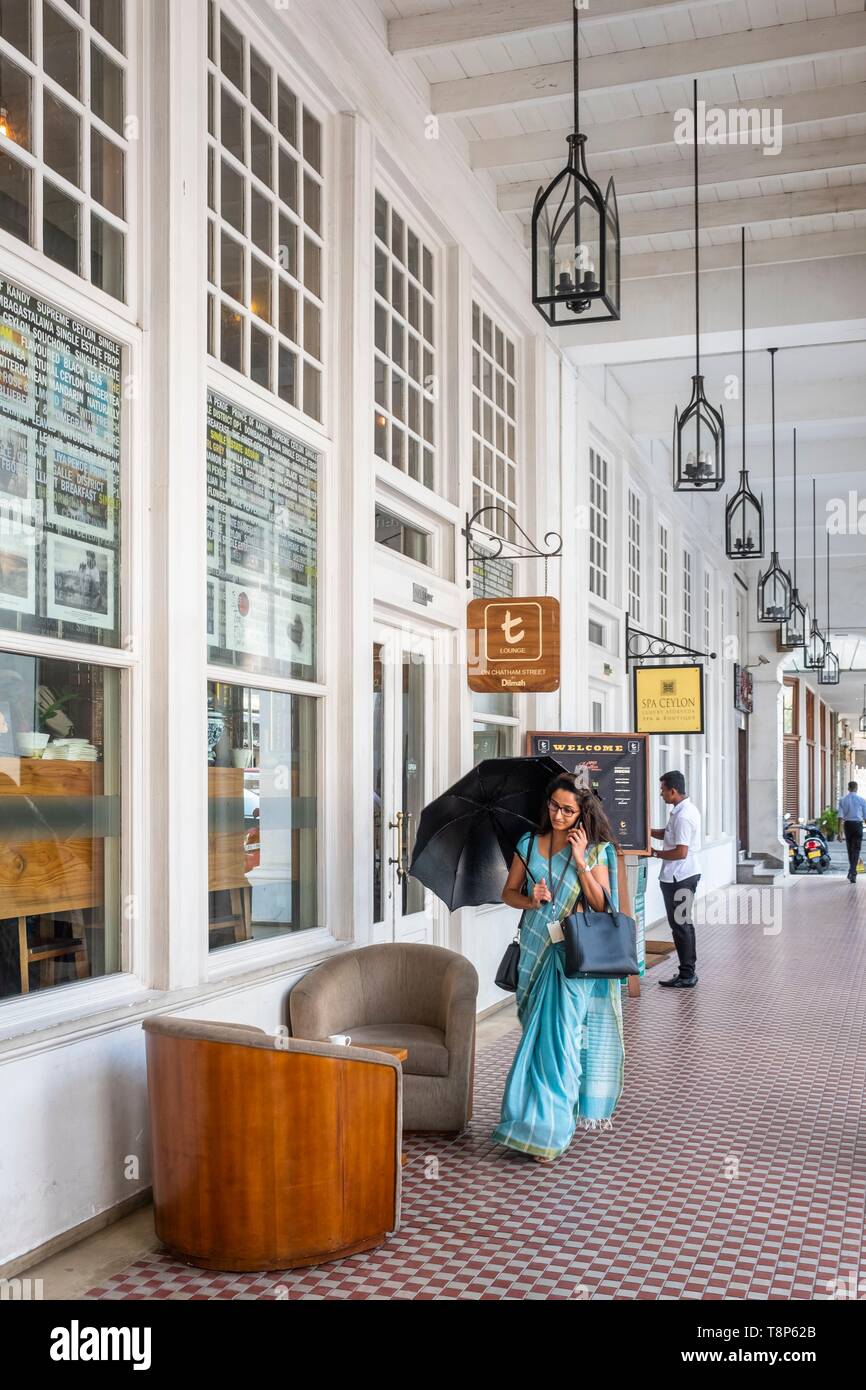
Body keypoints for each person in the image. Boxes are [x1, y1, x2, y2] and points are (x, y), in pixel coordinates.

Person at [490, 774, 625, 1164]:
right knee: (534, 1042)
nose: (559, 814)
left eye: (568, 809)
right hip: (534, 950)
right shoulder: (528, 843)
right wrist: (530, 899)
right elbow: (507, 894)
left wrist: (581, 862)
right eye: (554, 806)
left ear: (582, 813)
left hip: (571, 958)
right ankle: (524, 1122)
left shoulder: (596, 851)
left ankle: (552, 1130)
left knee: (561, 1043)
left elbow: (602, 906)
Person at [651, 770, 702, 989]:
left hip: (680, 877)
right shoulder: (681, 811)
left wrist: (654, 853)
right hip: (678, 875)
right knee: (681, 925)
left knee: (681, 926)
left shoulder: (683, 816)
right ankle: (686, 972)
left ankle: (687, 975)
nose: (661, 794)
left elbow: (680, 852)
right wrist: (648, 831)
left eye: (663, 790)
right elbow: (669, 835)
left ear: (673, 791)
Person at [837, 781, 866, 884]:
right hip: (858, 825)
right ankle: (853, 872)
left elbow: (840, 817)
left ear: (848, 788)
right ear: (856, 788)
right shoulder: (862, 800)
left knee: (850, 849)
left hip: (848, 826)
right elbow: (865, 817)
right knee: (856, 850)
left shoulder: (842, 800)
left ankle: (852, 871)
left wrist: (839, 832)